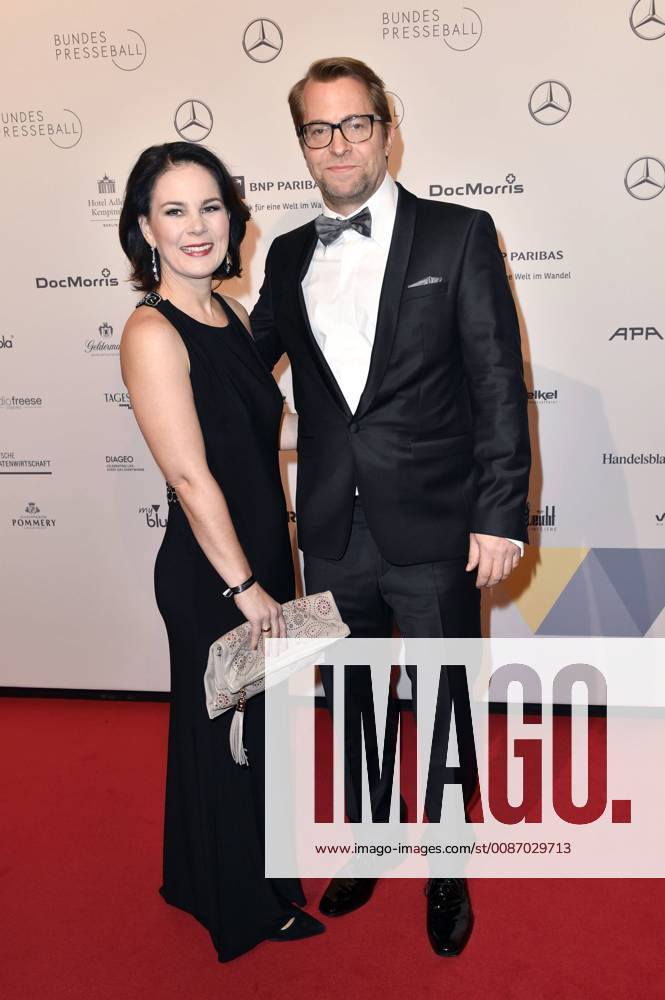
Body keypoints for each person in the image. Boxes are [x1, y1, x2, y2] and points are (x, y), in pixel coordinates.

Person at [251, 58, 531, 956]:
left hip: (439, 523)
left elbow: (496, 382)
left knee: (446, 700)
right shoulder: (289, 254)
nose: (337, 145)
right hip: (332, 528)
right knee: (359, 700)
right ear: (301, 142)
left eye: (354, 125)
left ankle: (447, 868)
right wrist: (168, 325)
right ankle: (372, 838)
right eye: (317, 130)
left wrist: (499, 511)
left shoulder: (457, 235)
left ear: (386, 128)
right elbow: (247, 373)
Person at [118, 141, 324, 962]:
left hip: (262, 557)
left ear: (232, 218)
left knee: (243, 732)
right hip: (216, 574)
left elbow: (257, 435)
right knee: (229, 737)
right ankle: (243, 903)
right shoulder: (151, 330)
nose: (196, 226)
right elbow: (191, 475)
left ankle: (199, 875)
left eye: (209, 206)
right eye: (174, 210)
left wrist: (365, 439)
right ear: (145, 229)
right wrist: (245, 589)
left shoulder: (229, 315)